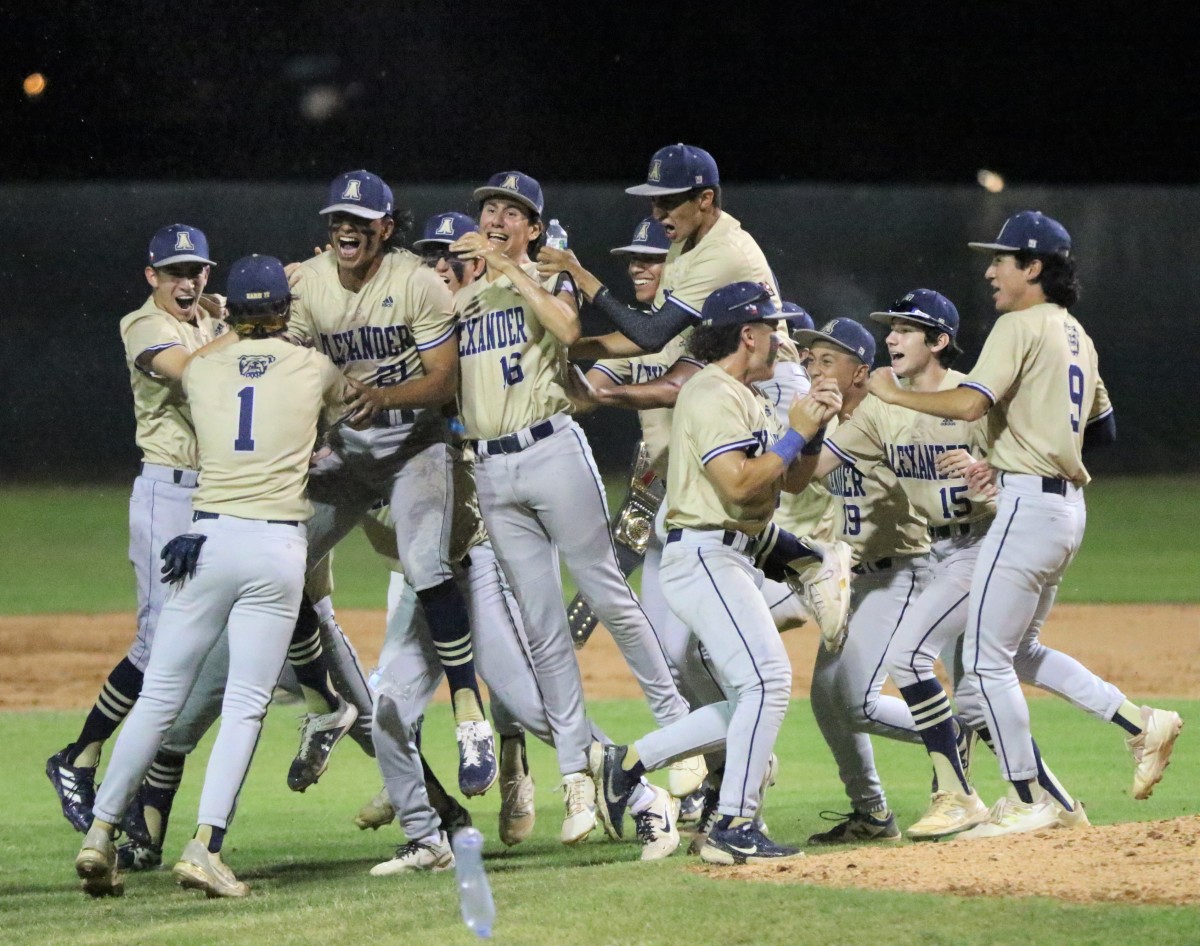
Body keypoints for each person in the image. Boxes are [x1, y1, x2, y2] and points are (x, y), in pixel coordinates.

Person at [867, 212, 1183, 834]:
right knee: (1020, 651)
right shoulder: (1077, 336)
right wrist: (1026, 455)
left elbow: (969, 402)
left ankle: (1027, 800)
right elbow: (1104, 430)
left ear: (1033, 268)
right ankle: (1140, 723)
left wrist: (892, 394)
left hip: (1026, 510)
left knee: (985, 665)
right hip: (1066, 508)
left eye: (1001, 260)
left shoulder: (1019, 323)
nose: (990, 271)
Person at [74, 255, 353, 898]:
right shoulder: (313, 368)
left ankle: (99, 834)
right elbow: (343, 421)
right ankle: (205, 846)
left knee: (159, 694)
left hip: (205, 538)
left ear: (232, 309)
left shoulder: (201, 367)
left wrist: (236, 326)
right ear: (284, 310)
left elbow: (226, 356)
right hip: (274, 544)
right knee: (246, 706)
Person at [439, 169, 689, 846]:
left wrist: (508, 268)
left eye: (509, 211)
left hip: (552, 448)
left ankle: (678, 728)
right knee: (543, 627)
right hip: (492, 468)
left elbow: (568, 326)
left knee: (606, 591)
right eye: (488, 206)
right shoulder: (463, 296)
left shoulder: (550, 274)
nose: (493, 217)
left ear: (533, 228)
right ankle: (577, 776)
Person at [598, 282, 841, 865]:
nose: (782, 339)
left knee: (751, 694)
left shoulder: (744, 395)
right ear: (747, 335)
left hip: (729, 554)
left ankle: (628, 763)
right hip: (705, 553)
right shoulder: (710, 392)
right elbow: (738, 482)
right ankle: (733, 823)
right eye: (773, 328)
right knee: (769, 683)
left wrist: (817, 426)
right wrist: (796, 430)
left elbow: (792, 479)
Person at [287, 170, 496, 797]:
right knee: (278, 567)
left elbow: (443, 381)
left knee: (426, 564)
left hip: (415, 445)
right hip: (347, 452)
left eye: (360, 220)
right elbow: (292, 368)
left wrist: (384, 397)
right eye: (336, 220)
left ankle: (470, 716)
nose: (346, 229)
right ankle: (326, 705)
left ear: (384, 226)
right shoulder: (309, 284)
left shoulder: (416, 282)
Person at [46, 224, 235, 836]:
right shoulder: (144, 325)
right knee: (159, 646)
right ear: (151, 276)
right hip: (168, 495)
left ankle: (144, 810)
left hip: (214, 497)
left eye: (197, 270)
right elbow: (188, 372)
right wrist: (248, 331)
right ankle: (79, 756)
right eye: (175, 271)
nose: (188, 281)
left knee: (210, 652)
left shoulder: (209, 320)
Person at [786, 317, 933, 844]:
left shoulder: (878, 414)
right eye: (810, 359)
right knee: (826, 696)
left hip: (904, 570)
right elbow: (799, 476)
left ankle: (955, 734)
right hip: (859, 577)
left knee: (856, 700)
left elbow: (802, 470)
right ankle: (872, 814)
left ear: (860, 372)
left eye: (829, 360)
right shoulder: (833, 420)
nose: (814, 368)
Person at [539, 143, 779, 357]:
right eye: (654, 201)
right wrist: (565, 351)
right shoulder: (682, 243)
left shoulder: (725, 251)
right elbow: (649, 331)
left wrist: (580, 276)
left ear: (705, 199)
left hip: (771, 380)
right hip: (734, 373)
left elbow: (652, 336)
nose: (657, 214)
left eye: (669, 202)